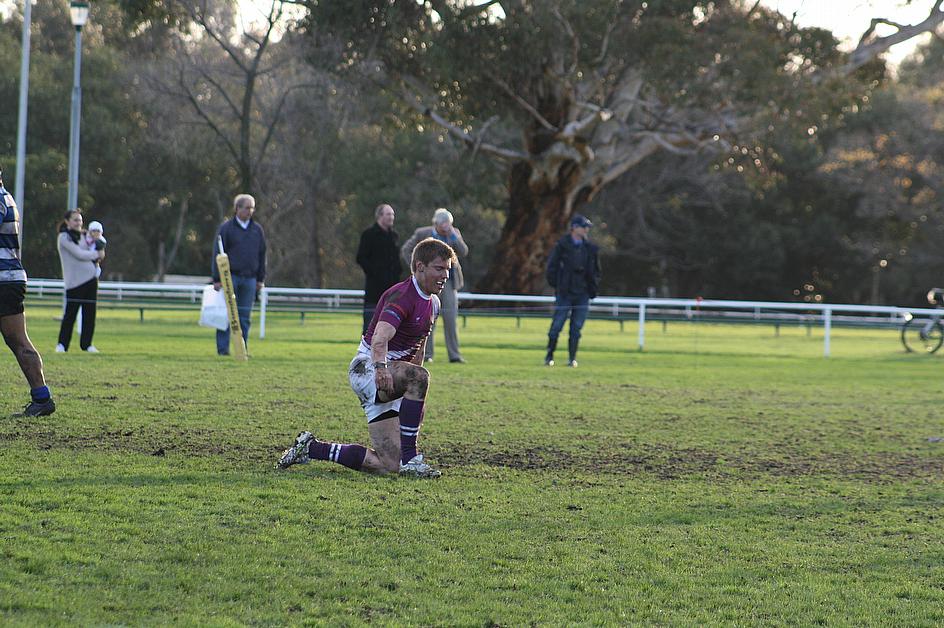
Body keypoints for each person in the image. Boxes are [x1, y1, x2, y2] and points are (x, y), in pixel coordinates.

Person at [277, 237, 457, 478]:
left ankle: (311, 448)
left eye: (448, 269)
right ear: (419, 266)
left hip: (390, 373)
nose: (445, 275)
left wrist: (410, 395)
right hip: (368, 368)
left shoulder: (433, 303)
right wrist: (382, 370)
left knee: (388, 464)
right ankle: (413, 461)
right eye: (439, 268)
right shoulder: (402, 295)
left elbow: (419, 346)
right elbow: (379, 339)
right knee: (419, 377)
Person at [0, 169, 56, 416]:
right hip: (11, 277)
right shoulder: (7, 197)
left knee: (19, 340)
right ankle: (42, 398)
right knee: (18, 339)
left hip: (2, 278)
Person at [400, 208, 468, 363]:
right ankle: (427, 354)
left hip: (449, 284)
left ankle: (454, 355)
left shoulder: (454, 233)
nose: (446, 226)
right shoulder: (422, 234)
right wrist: (418, 269)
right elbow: (406, 249)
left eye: (449, 223)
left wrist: (453, 236)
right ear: (436, 223)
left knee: (451, 320)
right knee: (428, 319)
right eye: (444, 223)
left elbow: (463, 251)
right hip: (429, 283)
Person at [211, 194, 266, 356]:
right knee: (226, 315)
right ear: (237, 209)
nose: (250, 211)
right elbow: (217, 253)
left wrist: (260, 279)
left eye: (252, 208)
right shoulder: (226, 228)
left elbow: (262, 255)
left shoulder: (257, 230)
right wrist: (217, 278)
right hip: (230, 278)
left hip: (250, 279)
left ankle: (242, 349)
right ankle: (223, 350)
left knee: (244, 317)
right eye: (247, 207)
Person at [544, 213, 601, 367]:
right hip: (565, 293)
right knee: (557, 326)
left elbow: (595, 271)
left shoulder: (590, 249)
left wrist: (592, 288)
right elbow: (551, 268)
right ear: (574, 228)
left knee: (576, 328)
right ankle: (549, 356)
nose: (586, 230)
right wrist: (559, 285)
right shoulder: (561, 246)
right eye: (583, 227)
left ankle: (572, 358)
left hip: (582, 293)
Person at [56, 209, 105, 353]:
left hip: (91, 280)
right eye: (75, 220)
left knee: (89, 314)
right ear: (67, 221)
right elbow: (79, 254)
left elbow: (98, 242)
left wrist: (100, 245)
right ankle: (62, 344)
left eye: (80, 220)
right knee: (70, 315)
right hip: (74, 282)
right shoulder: (64, 237)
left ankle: (87, 344)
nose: (79, 223)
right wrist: (97, 253)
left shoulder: (85, 235)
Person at [356, 203, 402, 334]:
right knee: (370, 325)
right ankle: (365, 353)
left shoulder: (394, 236)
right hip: (374, 289)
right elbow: (361, 258)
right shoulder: (369, 234)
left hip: (392, 289)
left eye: (393, 214)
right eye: (388, 214)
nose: (392, 217)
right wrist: (374, 273)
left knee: (390, 324)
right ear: (379, 216)